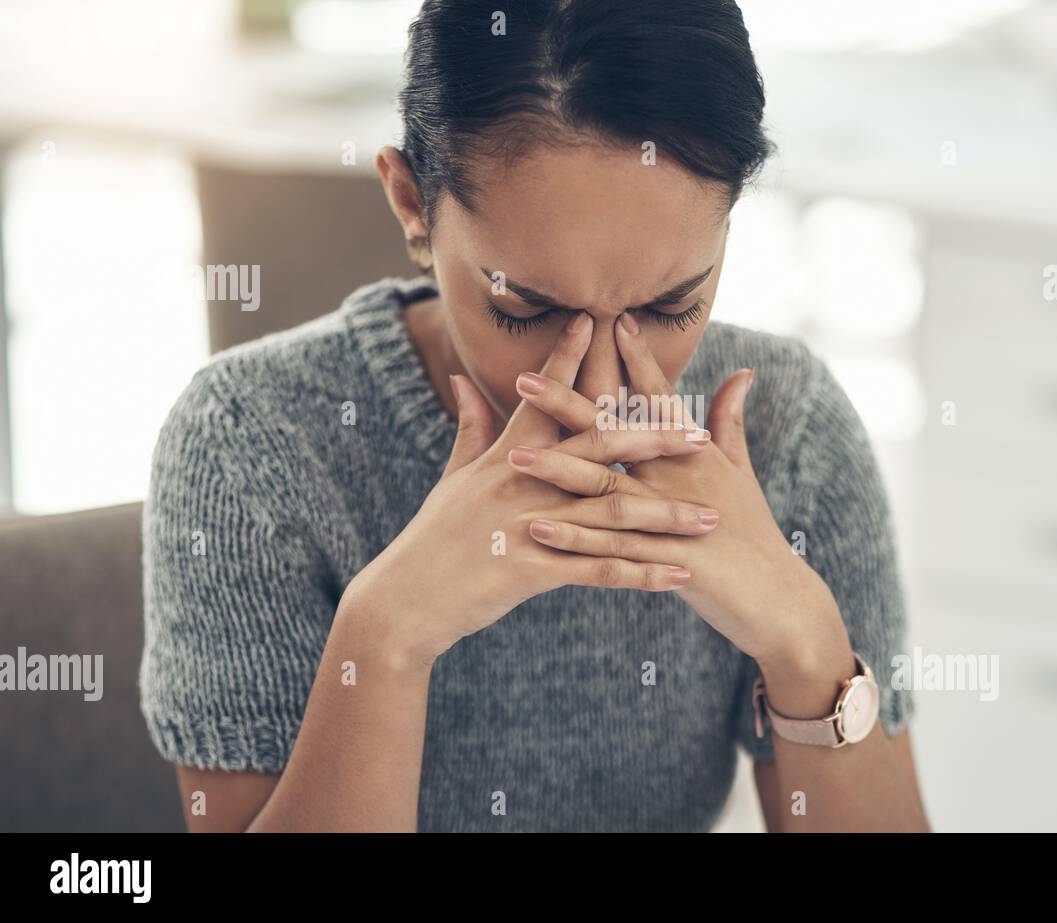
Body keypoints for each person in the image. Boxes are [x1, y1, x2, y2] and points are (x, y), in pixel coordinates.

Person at [139, 0, 929, 832]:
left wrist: (805, 644)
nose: (596, 390)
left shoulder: (786, 428)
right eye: (524, 307)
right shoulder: (246, 442)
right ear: (412, 204)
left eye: (671, 304)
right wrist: (385, 639)